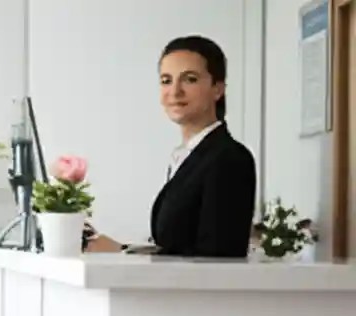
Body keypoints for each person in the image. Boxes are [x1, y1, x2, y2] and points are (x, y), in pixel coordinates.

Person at [85, 36, 257, 257]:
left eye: (190, 79)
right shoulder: (186, 156)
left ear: (218, 88)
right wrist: (126, 248)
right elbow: (179, 247)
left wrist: (122, 252)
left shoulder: (230, 158)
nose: (175, 92)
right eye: (166, 80)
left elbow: (217, 258)